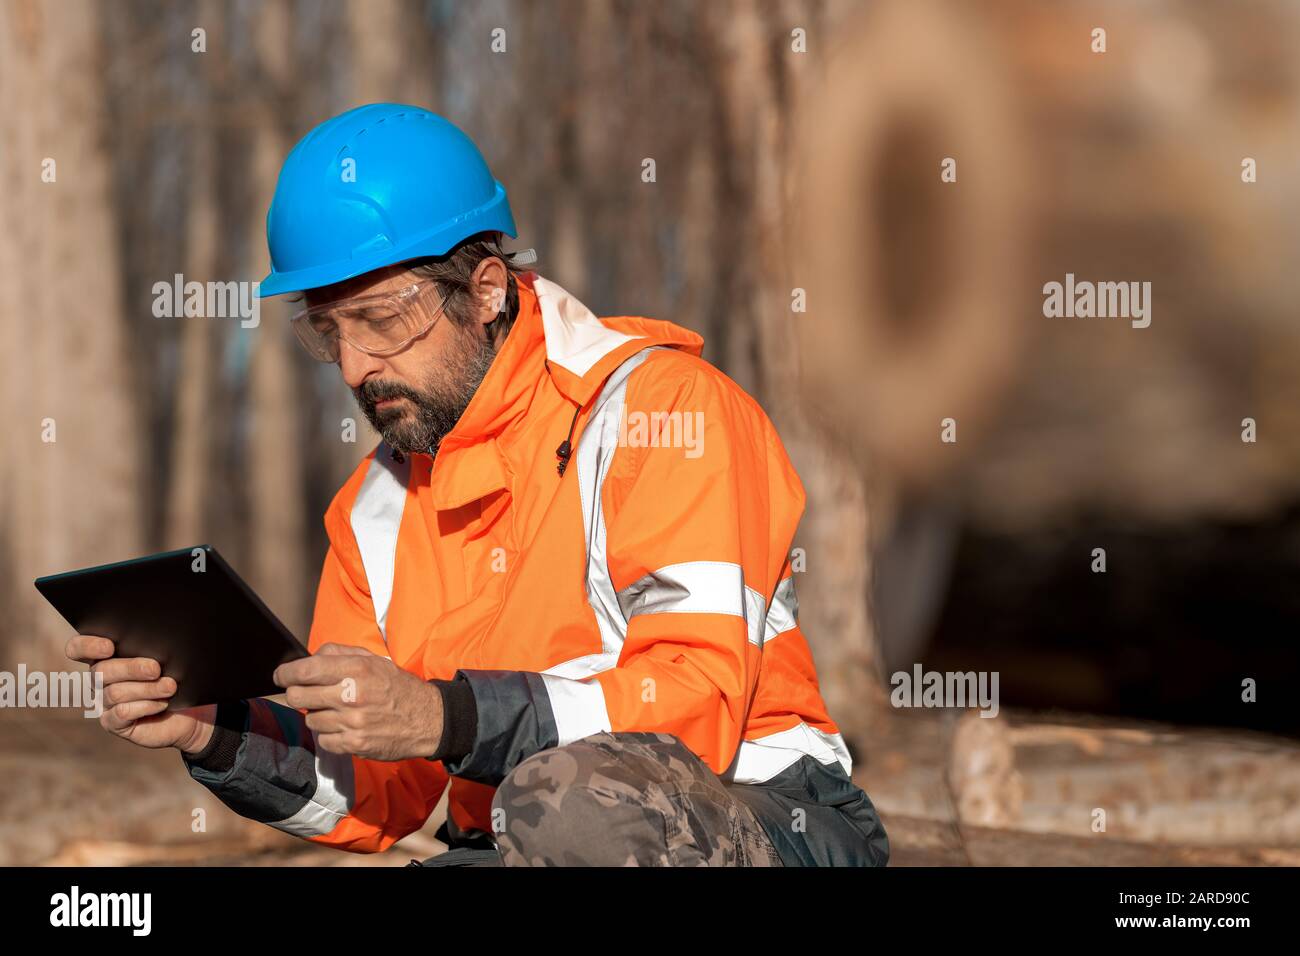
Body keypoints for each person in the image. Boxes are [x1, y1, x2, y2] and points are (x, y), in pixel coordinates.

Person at [65, 103, 889, 867]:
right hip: (518, 842)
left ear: (487, 291)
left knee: (567, 804)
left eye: (382, 320)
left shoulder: (665, 414)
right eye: (329, 332)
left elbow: (695, 704)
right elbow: (381, 799)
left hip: (768, 821)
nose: (356, 367)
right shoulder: (374, 510)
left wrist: (447, 716)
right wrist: (215, 734)